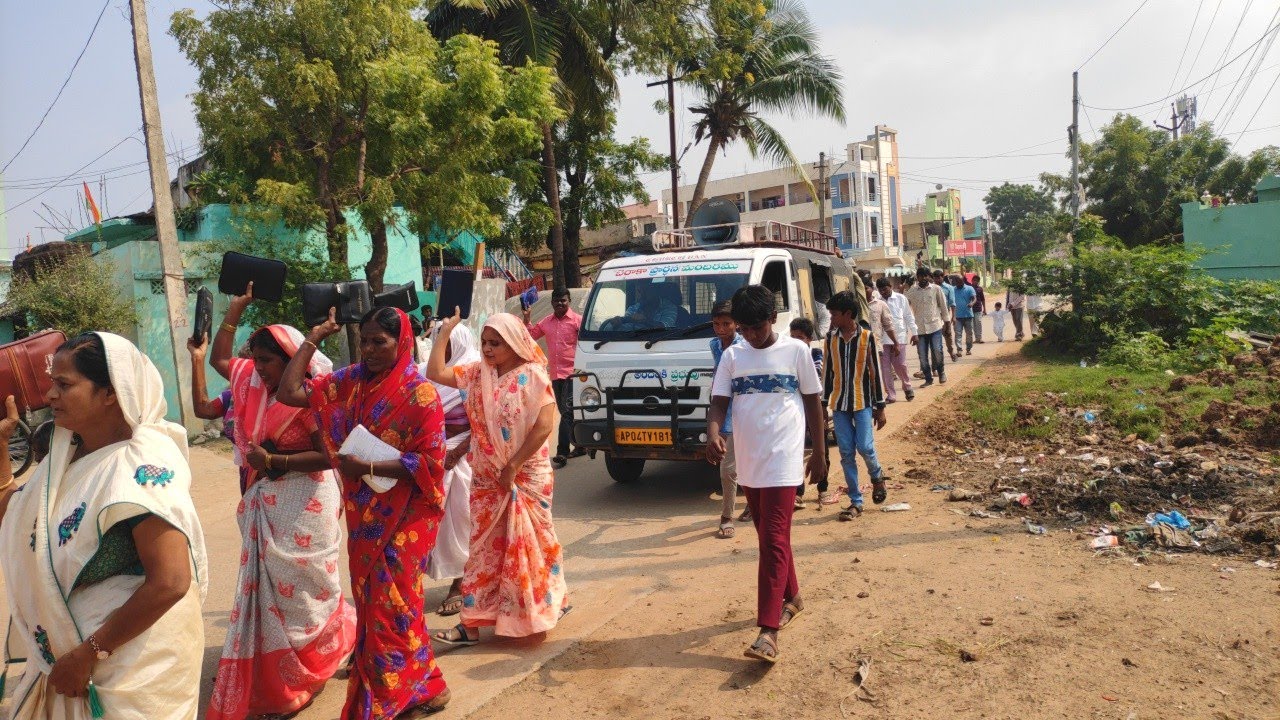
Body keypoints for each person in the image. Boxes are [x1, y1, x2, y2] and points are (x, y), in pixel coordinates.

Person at [0, 333, 208, 718]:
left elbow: (171, 581)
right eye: (51, 383)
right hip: (70, 657)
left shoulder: (139, 466)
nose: (49, 396)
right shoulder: (64, 458)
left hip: (129, 666)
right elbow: (17, 520)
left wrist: (88, 653)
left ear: (111, 392)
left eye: (64, 384)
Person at [276, 306, 452, 719]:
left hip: (406, 518)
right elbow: (289, 393)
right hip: (365, 515)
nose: (369, 349)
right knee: (378, 604)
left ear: (401, 341)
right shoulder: (352, 381)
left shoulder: (419, 395)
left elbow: (430, 464)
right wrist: (314, 336)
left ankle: (391, 696)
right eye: (365, 340)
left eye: (380, 341)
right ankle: (425, 684)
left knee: (395, 604)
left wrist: (369, 467)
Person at [198, 287, 357, 720]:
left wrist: (274, 460)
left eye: (268, 361)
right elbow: (221, 362)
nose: (259, 370)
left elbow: (330, 455)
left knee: (310, 592)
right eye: (258, 361)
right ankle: (284, 683)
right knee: (275, 598)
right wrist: (235, 309)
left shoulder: (314, 394)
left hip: (309, 501)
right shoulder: (252, 388)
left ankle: (319, 660)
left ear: (291, 361)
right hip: (266, 505)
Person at [426, 310, 570, 646]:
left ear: (515, 343)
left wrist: (514, 466)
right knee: (483, 550)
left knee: (534, 544)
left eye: (496, 343)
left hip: (526, 476)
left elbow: (544, 427)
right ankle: (471, 623)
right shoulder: (477, 374)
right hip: (487, 479)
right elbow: (435, 372)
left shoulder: (534, 375)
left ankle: (540, 609)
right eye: (485, 342)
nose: (488, 349)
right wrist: (445, 332)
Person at [706, 285, 825, 664]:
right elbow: (719, 403)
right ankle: (794, 597)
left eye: (756, 327)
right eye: (743, 329)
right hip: (750, 463)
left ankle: (768, 631)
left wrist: (820, 453)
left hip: (785, 460)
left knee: (772, 540)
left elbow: (812, 402)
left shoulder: (797, 351)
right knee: (770, 537)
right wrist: (712, 433)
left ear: (773, 319)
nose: (750, 335)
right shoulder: (732, 356)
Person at [419, 322, 481, 616]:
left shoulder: (474, 373)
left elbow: (483, 421)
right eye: (437, 343)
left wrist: (456, 452)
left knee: (464, 518)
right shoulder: (423, 374)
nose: (440, 350)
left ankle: (461, 582)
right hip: (431, 457)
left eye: (446, 344)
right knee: (432, 522)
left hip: (463, 456)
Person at [822, 291, 889, 521]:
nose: (831, 318)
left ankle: (877, 477)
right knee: (846, 453)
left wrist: (880, 407)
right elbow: (827, 375)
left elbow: (875, 372)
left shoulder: (867, 337)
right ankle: (855, 501)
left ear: (847, 314)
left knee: (866, 447)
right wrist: (823, 404)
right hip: (839, 405)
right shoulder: (830, 339)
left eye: (834, 314)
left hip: (863, 403)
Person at [524, 288, 583, 469]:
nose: (560, 304)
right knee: (568, 411)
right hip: (556, 374)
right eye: (556, 301)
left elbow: (587, 342)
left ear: (569, 301)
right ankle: (580, 445)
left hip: (574, 373)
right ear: (552, 303)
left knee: (566, 411)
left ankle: (562, 451)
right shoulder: (547, 322)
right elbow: (530, 335)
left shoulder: (578, 321)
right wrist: (527, 318)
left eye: (563, 301)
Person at [710, 300, 745, 537]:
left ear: (736, 324)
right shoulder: (714, 345)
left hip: (743, 410)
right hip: (723, 410)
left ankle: (728, 516)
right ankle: (727, 515)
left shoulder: (743, 347)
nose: (721, 329)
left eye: (726, 324)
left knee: (740, 466)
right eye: (716, 324)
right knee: (728, 468)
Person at [788, 318, 827, 511]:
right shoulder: (788, 355)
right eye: (792, 337)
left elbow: (816, 377)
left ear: (809, 339)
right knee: (797, 450)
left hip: (815, 407)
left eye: (800, 338)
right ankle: (798, 492)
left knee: (821, 448)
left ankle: (823, 488)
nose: (796, 341)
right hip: (797, 411)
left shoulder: (815, 354)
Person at [876, 277, 917, 402]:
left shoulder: (901, 299)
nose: (883, 292)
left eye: (885, 289)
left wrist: (914, 333)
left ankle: (907, 387)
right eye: (881, 290)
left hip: (899, 338)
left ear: (890, 286)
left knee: (901, 365)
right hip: (882, 340)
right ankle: (891, 395)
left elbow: (908, 317)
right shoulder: (877, 302)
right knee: (885, 369)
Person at [906, 267, 949, 386]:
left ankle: (941, 372)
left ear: (929, 277)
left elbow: (944, 307)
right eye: (921, 276)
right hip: (919, 329)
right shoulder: (912, 291)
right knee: (922, 356)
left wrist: (947, 323)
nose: (924, 278)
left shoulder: (936, 289)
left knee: (937, 351)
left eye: (926, 276)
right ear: (917, 277)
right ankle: (928, 379)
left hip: (935, 326)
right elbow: (904, 305)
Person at [932, 269, 959, 361]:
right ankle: (937, 358)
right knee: (935, 337)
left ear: (942, 277)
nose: (937, 280)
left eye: (938, 278)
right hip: (934, 316)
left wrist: (954, 316)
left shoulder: (949, 288)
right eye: (935, 278)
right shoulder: (931, 288)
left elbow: (952, 303)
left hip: (945, 315)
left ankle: (951, 352)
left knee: (948, 335)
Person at [951, 275, 977, 355]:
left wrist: (972, 303)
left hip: (968, 315)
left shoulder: (969, 288)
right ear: (955, 282)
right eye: (957, 282)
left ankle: (968, 349)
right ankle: (959, 350)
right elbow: (951, 303)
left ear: (963, 281)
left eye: (961, 281)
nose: (959, 283)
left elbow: (974, 298)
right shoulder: (953, 290)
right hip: (957, 316)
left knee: (969, 333)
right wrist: (953, 316)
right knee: (958, 333)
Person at [970, 274, 987, 343]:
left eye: (977, 281)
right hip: (971, 309)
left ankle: (979, 338)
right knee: (973, 324)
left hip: (978, 308)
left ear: (978, 282)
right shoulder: (969, 288)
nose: (975, 282)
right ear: (972, 280)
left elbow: (983, 299)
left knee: (978, 323)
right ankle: (976, 338)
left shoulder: (980, 289)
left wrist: (984, 309)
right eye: (974, 280)